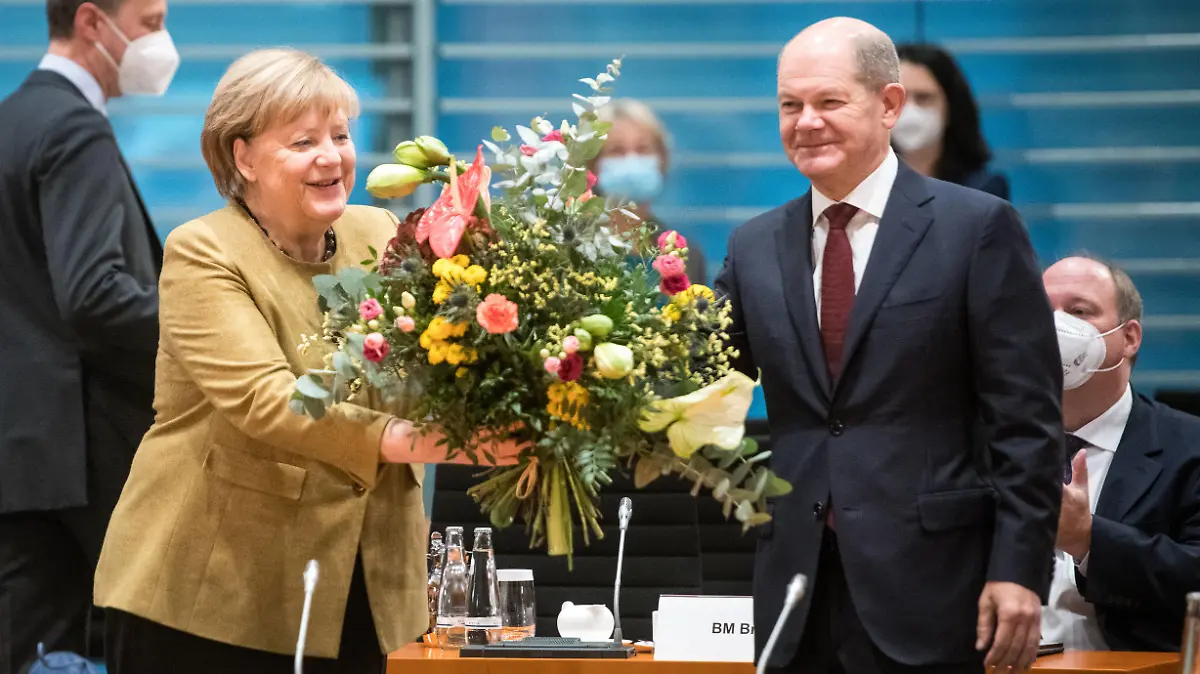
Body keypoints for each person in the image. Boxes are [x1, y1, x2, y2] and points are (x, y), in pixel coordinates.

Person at [92, 48, 522, 673]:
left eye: (341, 136)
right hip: (214, 594)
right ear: (243, 156)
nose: (331, 156)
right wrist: (432, 441)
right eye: (302, 141)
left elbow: (427, 368)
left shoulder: (378, 236)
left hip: (362, 587)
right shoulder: (204, 252)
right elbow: (268, 403)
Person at [714, 17, 1063, 674]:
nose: (805, 122)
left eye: (828, 102)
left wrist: (1019, 570)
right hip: (795, 590)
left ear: (889, 105)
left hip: (936, 589)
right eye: (790, 105)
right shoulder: (753, 246)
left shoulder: (975, 227)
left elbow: (1027, 422)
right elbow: (699, 388)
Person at [0, 0, 175, 670]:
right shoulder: (76, 127)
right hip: (77, 462)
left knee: (28, 651)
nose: (161, 43)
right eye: (151, 23)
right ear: (93, 23)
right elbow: (96, 296)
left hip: (22, 458)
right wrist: (208, 333)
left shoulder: (12, 119)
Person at [1041, 255, 1200, 652]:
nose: (1055, 327)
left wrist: (1089, 540)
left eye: (1078, 311)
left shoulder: (1190, 447)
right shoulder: (981, 442)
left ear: (1129, 337)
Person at [593, 98, 706, 282]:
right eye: (616, 150)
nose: (631, 160)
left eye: (643, 149)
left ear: (662, 161)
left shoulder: (687, 255)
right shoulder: (571, 252)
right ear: (593, 165)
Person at [893, 43, 1010, 200]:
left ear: (951, 106)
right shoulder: (865, 186)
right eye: (899, 98)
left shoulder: (982, 189)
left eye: (923, 98)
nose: (910, 110)